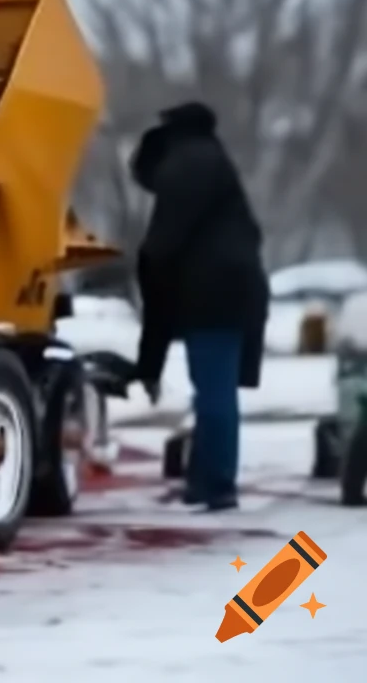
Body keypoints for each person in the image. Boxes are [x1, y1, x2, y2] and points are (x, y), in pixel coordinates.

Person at [129, 102, 269, 511]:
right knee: (214, 390)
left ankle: (216, 484)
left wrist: (149, 363)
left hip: (212, 296)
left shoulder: (185, 167)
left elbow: (158, 255)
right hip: (234, 291)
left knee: (213, 393)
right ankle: (206, 479)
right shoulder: (212, 160)